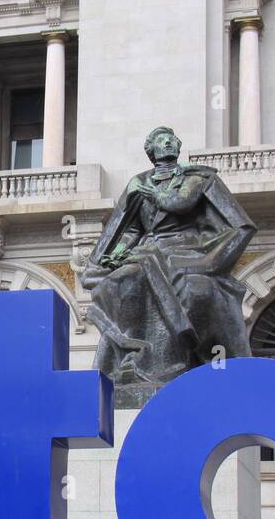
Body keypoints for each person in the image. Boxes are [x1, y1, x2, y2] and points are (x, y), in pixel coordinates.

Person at [80, 127, 256, 398]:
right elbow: (130, 229)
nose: (168, 143)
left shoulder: (201, 178)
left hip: (189, 251)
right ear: (150, 150)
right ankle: (134, 354)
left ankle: (175, 364)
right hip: (149, 251)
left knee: (197, 290)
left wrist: (211, 263)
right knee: (120, 282)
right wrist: (114, 255)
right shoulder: (137, 183)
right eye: (161, 140)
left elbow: (241, 226)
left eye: (171, 139)